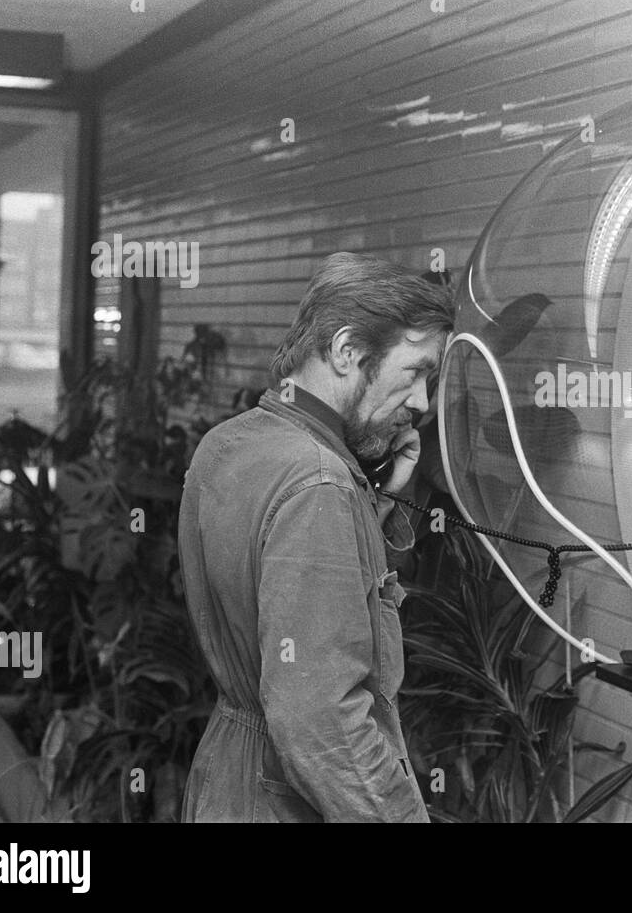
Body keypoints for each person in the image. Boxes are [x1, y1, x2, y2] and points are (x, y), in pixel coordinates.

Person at [178, 252, 453, 822]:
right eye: (417, 371)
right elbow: (322, 721)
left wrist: (374, 502)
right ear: (348, 350)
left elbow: (281, 591)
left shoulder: (231, 443)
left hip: (227, 781)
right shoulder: (318, 483)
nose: (424, 404)